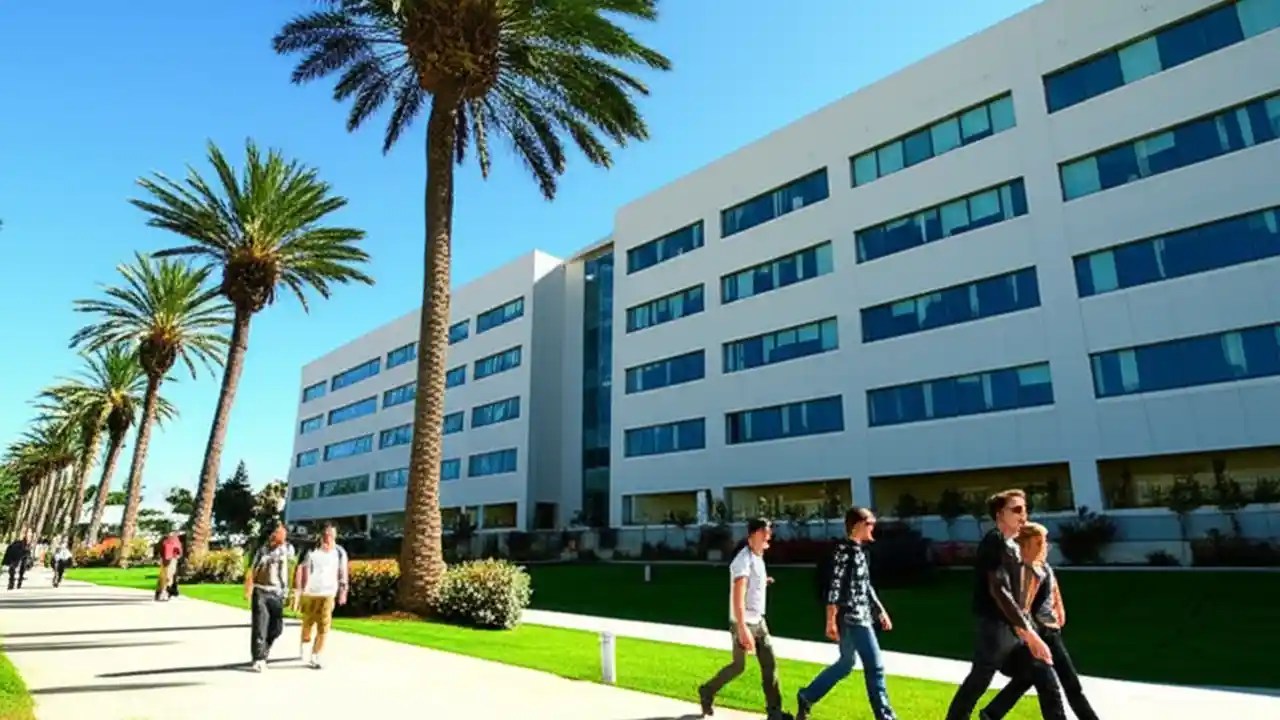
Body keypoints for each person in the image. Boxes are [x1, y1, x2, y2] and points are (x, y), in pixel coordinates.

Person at [945, 489, 1066, 720]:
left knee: (1040, 672)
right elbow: (999, 590)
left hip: (1015, 628)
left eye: (1025, 509)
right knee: (979, 680)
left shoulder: (1013, 545)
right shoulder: (995, 540)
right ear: (1000, 514)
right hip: (995, 627)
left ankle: (992, 713)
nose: (1024, 515)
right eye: (1017, 510)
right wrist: (1029, 633)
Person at [980, 523, 1100, 720]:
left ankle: (992, 713)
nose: (1045, 546)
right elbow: (1020, 608)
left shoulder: (1043, 567)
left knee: (1050, 681)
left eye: (1045, 542)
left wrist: (1059, 612)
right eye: (1039, 542)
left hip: (1050, 632)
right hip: (1035, 635)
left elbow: (1053, 592)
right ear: (1025, 545)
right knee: (1052, 684)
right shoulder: (1021, 571)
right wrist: (1031, 636)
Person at [797, 508, 897, 720]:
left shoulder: (861, 551)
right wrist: (830, 620)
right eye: (870, 523)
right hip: (852, 617)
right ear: (858, 525)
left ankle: (807, 696)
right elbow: (834, 588)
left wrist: (880, 611)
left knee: (845, 664)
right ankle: (886, 716)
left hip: (862, 615)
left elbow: (865, 585)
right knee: (875, 666)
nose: (873, 527)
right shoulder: (844, 552)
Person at [697, 518, 786, 720]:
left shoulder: (758, 557)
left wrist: (764, 582)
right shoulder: (742, 561)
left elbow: (753, 582)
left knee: (769, 664)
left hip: (759, 622)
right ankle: (707, 690)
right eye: (765, 532)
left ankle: (775, 712)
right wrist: (742, 628)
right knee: (738, 667)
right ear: (753, 534)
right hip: (743, 622)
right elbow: (738, 594)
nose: (769, 536)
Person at [290, 522, 349, 669]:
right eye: (326, 534)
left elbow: (343, 573)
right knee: (308, 623)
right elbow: (300, 569)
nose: (328, 537)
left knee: (324, 625)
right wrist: (297, 590)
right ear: (322, 535)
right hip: (310, 593)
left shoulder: (339, 552)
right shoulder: (311, 551)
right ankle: (305, 643)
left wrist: (343, 591)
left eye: (331, 535)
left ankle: (317, 655)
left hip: (328, 593)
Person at [245, 524, 295, 672]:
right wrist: (248, 587)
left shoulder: (287, 550)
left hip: (277, 592)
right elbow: (252, 569)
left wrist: (288, 593)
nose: (283, 536)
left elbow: (289, 568)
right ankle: (259, 658)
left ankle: (264, 648)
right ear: (272, 534)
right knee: (260, 625)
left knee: (277, 628)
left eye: (284, 533)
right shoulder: (261, 550)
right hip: (261, 590)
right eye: (279, 533)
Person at [156, 531, 183, 601]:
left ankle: (165, 593)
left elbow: (179, 552)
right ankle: (161, 593)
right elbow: (159, 549)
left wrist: (177, 557)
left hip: (171, 560)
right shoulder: (164, 540)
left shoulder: (175, 541)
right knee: (164, 577)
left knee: (168, 576)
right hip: (165, 560)